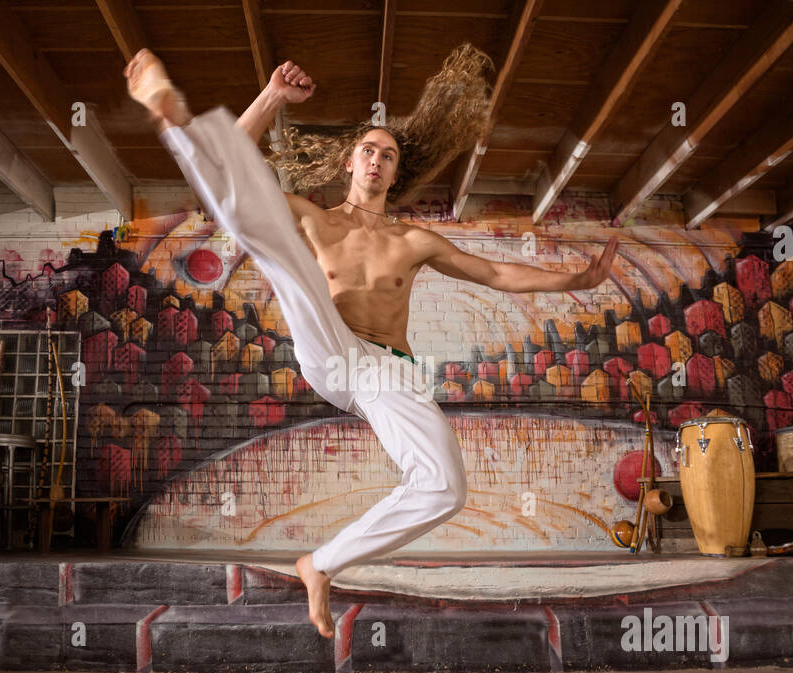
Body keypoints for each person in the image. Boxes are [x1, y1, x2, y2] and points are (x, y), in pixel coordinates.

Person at [125, 45, 619, 639]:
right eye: (367, 150)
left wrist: (577, 280)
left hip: (388, 372)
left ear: (394, 170)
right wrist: (274, 96)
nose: (377, 161)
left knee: (444, 486)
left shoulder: (413, 241)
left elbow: (493, 274)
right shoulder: (312, 216)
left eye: (388, 154)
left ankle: (320, 563)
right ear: (350, 161)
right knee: (268, 236)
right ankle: (174, 120)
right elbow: (239, 182)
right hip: (329, 348)